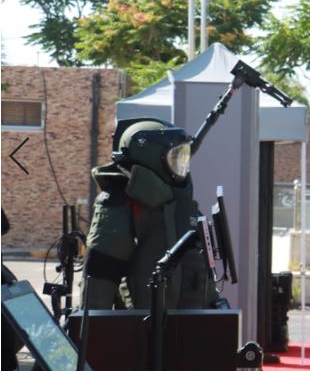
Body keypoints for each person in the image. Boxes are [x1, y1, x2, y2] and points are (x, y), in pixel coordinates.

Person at [82, 118, 219, 310]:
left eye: (182, 157)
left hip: (188, 327)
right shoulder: (120, 203)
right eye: (174, 157)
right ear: (151, 158)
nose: (180, 166)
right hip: (142, 329)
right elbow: (98, 282)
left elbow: (200, 272)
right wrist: (92, 334)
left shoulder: (179, 204)